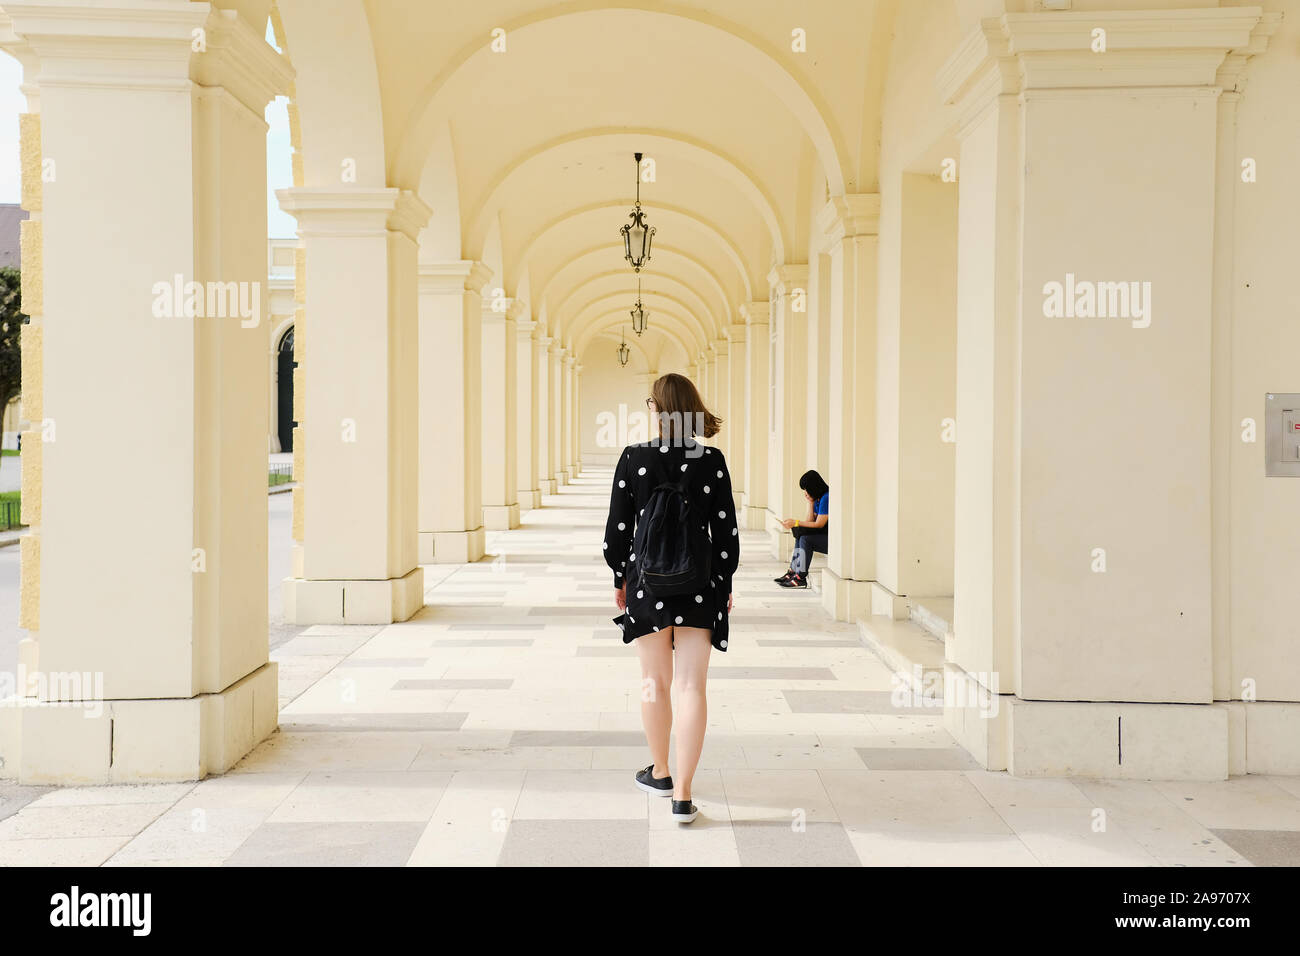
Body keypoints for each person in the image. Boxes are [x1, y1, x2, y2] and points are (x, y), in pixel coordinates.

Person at [603, 373, 739, 824]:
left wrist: (620, 578)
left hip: (647, 583)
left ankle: (660, 772)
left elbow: (618, 530)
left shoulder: (634, 458)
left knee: (653, 682)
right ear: (693, 408)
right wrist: (724, 583)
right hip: (700, 584)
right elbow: (725, 532)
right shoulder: (712, 460)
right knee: (691, 686)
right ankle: (683, 794)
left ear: (658, 409)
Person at [774, 469, 829, 589]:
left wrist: (796, 522)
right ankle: (793, 571)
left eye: (806, 489)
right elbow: (809, 522)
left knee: (806, 539)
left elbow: (819, 524)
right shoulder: (818, 499)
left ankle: (800, 577)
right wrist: (810, 502)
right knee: (800, 534)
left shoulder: (826, 498)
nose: (805, 492)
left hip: (831, 541)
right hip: (824, 537)